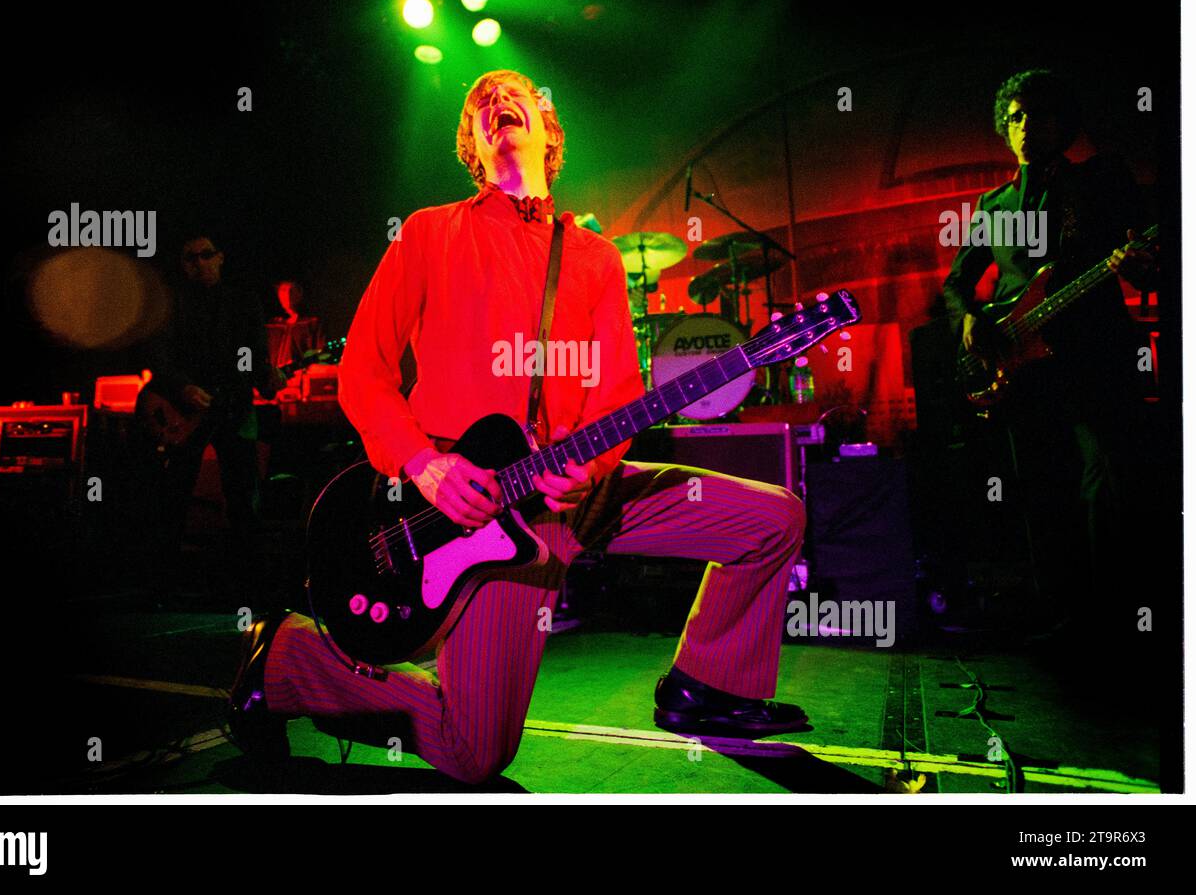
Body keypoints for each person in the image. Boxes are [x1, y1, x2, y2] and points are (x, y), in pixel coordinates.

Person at [228, 70, 809, 784]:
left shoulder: (592, 256)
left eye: (514, 94)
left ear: (548, 126)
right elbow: (364, 371)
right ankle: (290, 658)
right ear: (471, 143)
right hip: (474, 512)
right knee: (476, 751)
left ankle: (708, 688)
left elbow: (620, 390)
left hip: (581, 489)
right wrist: (423, 464)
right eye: (478, 103)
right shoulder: (428, 233)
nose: (494, 99)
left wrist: (592, 468)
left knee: (774, 517)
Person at [941, 69, 1158, 645]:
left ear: (1064, 123)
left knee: (1107, 473)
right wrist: (969, 315)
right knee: (1039, 485)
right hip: (1025, 360)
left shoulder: (1101, 179)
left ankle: (1118, 607)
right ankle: (1062, 614)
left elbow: (1147, 250)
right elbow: (958, 282)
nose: (1024, 126)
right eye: (1013, 116)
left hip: (1096, 352)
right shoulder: (993, 204)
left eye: (1037, 114)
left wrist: (1138, 263)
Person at [143, 235, 280, 598]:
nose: (200, 263)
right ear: (182, 263)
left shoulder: (243, 301)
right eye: (191, 257)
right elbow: (157, 358)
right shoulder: (172, 304)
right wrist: (184, 389)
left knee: (243, 497)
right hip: (186, 409)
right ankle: (164, 583)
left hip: (233, 407)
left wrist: (267, 377)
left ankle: (249, 589)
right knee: (175, 494)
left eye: (206, 255)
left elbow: (256, 358)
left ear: (220, 258)